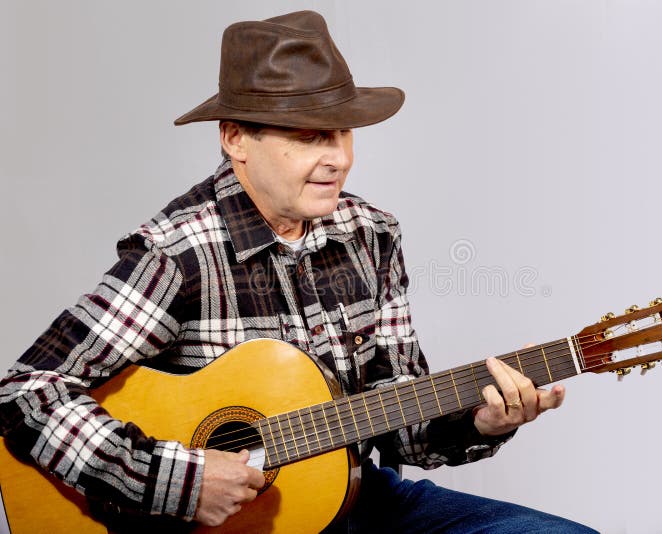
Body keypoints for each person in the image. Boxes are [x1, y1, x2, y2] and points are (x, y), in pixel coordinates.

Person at [0, 10, 596, 533]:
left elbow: (399, 420)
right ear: (235, 138)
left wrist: (482, 419)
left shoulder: (372, 235)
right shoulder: (179, 252)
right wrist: (175, 485)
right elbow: (25, 392)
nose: (336, 158)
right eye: (309, 137)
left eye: (342, 133)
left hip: (355, 499)